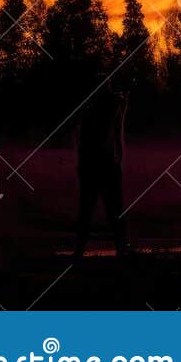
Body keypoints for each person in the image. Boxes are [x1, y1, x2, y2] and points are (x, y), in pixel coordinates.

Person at [72, 83, 129, 258]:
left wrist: (81, 164)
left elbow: (80, 138)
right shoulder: (113, 107)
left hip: (90, 164)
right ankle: (121, 248)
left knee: (86, 209)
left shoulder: (87, 109)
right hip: (107, 164)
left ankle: (79, 250)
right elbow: (117, 135)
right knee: (114, 209)